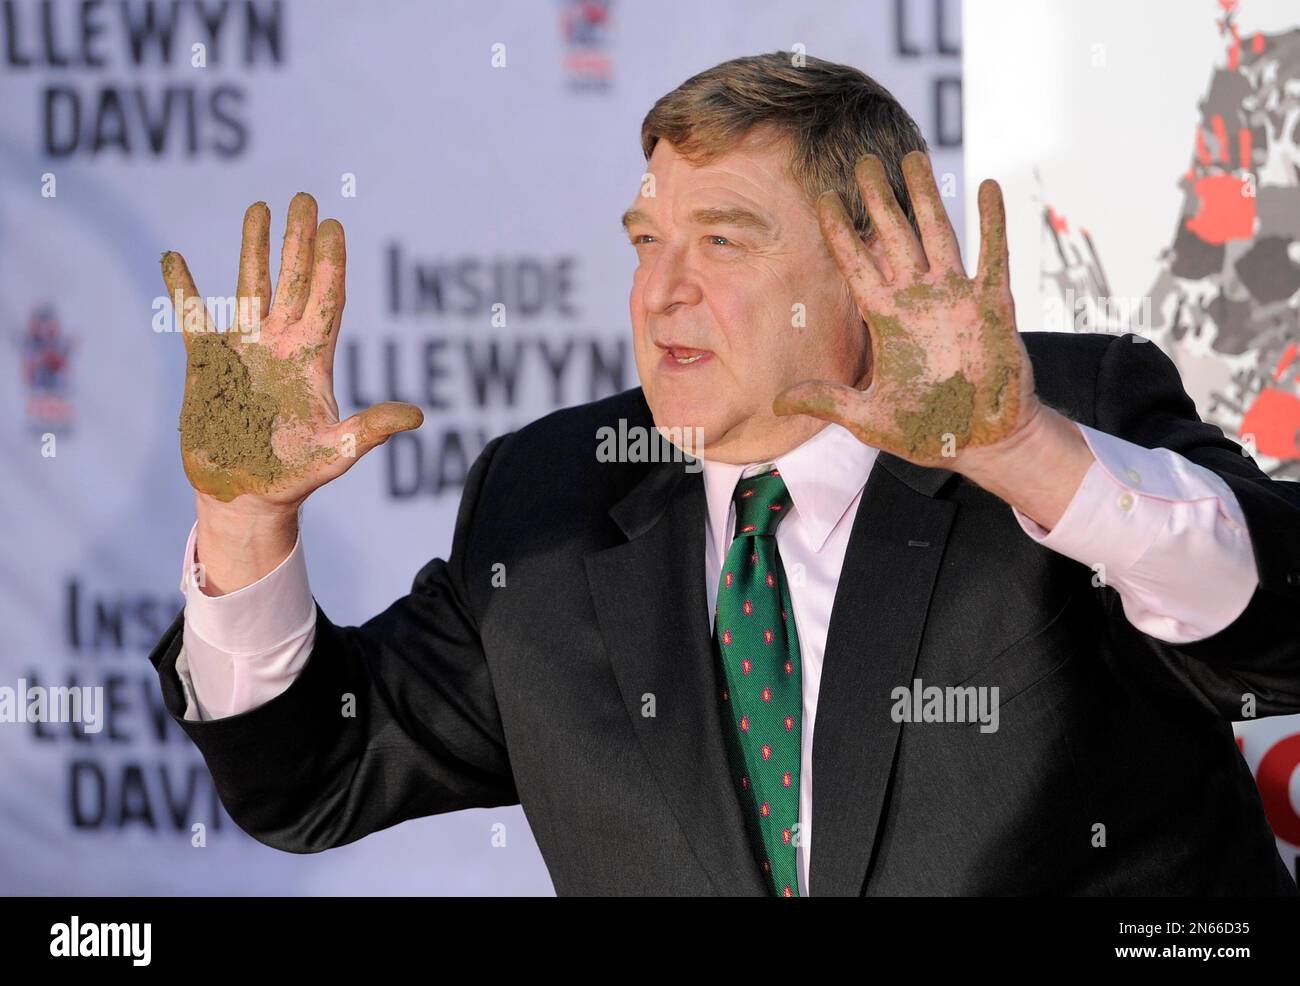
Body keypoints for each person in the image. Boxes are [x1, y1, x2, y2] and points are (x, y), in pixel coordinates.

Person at [148, 52, 1300, 896]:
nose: (661, 291)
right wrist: (243, 521)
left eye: (724, 240)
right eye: (647, 242)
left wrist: (1022, 456)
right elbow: (315, 774)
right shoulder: (552, 499)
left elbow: (1277, 635)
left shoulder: (1055, 420)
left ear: (866, 261)